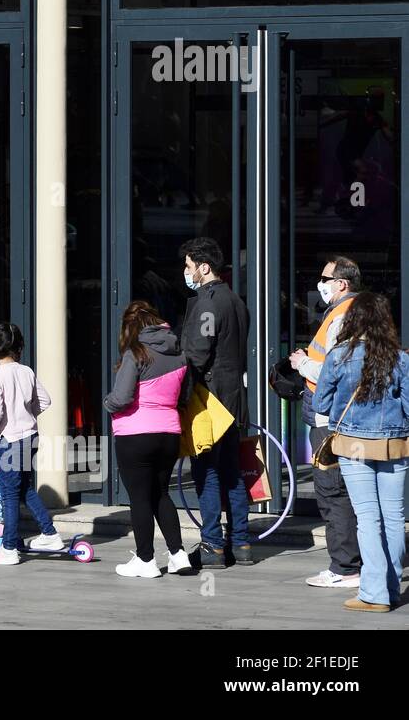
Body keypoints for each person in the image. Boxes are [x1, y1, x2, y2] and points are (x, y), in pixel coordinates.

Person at [313, 291, 409, 613]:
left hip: (352, 445)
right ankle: (391, 588)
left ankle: (374, 593)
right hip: (394, 444)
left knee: (367, 518)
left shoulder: (340, 355)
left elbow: (321, 404)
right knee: (393, 518)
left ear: (354, 319)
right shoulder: (401, 358)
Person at [178, 236, 253, 568]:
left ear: (203, 267)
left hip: (211, 401)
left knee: (207, 472)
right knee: (232, 473)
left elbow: (198, 352)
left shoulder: (208, 303)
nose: (186, 271)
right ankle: (242, 543)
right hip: (234, 399)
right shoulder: (235, 300)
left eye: (189, 266)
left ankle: (212, 545)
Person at [103, 301, 192, 578]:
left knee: (140, 498)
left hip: (136, 434)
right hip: (169, 433)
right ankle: (179, 555)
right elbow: (185, 397)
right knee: (162, 494)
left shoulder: (136, 353)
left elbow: (122, 398)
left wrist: (107, 403)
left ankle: (145, 560)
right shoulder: (180, 354)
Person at [290, 256, 362, 589]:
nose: (320, 283)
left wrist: (302, 364)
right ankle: (351, 563)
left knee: (332, 492)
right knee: (344, 491)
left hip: (329, 416)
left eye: (325, 278)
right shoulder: (354, 313)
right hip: (338, 415)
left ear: (341, 284)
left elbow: (335, 374)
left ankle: (345, 567)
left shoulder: (342, 317)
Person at [0, 322, 61, 565]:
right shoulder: (26, 371)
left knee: (9, 494)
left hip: (11, 439)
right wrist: (28, 414)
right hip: (31, 437)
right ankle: (49, 534)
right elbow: (45, 401)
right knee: (24, 488)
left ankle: (8, 549)